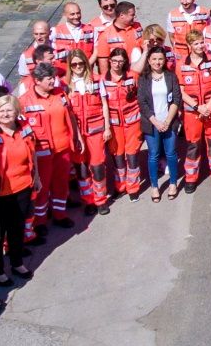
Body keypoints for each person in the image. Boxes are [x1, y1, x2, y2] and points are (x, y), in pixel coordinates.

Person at [0, 96, 37, 285]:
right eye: (1, 111)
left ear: (16, 112)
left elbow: (33, 153)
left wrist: (37, 177)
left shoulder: (24, 129)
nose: (6, 114)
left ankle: (17, 263)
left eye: (9, 110)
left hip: (22, 186)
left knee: (17, 229)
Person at [18, 63, 77, 229]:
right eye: (49, 78)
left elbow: (70, 115)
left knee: (61, 183)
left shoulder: (60, 94)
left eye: (53, 77)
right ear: (37, 81)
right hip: (41, 153)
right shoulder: (24, 101)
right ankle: (40, 221)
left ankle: (60, 214)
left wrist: (76, 137)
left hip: (63, 149)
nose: (53, 81)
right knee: (42, 188)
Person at [176, 31, 211, 189]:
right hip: (192, 112)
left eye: (201, 42)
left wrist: (209, 106)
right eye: (196, 43)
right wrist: (197, 107)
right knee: (194, 145)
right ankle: (191, 178)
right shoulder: (181, 64)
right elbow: (180, 91)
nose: (200, 46)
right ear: (189, 45)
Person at [63, 51, 110, 212]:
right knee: (81, 168)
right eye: (74, 64)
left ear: (86, 63)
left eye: (81, 63)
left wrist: (107, 127)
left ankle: (100, 200)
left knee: (97, 166)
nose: (78, 67)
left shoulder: (97, 80)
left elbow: (104, 104)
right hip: (76, 133)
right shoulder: (65, 84)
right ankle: (88, 200)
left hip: (96, 130)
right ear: (70, 66)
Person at [137, 45, 182, 201]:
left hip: (169, 122)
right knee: (153, 155)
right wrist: (156, 122)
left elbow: (176, 99)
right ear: (149, 61)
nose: (157, 62)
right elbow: (142, 103)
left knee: (171, 154)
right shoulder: (143, 79)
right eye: (154, 59)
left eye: (160, 59)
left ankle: (173, 183)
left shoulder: (171, 77)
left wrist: (168, 121)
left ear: (165, 60)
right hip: (152, 124)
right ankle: (155, 186)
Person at [99, 49, 145, 200]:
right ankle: (120, 187)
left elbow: (141, 96)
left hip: (133, 123)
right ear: (109, 61)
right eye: (114, 61)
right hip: (114, 125)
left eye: (120, 61)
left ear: (125, 62)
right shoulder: (103, 80)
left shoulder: (132, 76)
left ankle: (133, 188)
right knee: (118, 156)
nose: (117, 64)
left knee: (132, 156)